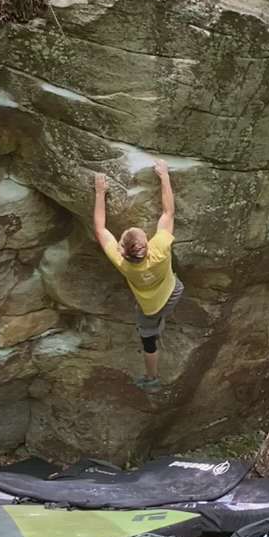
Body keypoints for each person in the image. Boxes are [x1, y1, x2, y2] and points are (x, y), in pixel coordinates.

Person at [93, 161, 184, 391]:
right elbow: (168, 212)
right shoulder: (161, 247)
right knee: (164, 303)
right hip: (174, 292)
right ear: (147, 242)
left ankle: (152, 378)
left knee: (148, 339)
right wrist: (164, 175)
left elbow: (100, 229)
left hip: (149, 308)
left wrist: (99, 192)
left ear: (122, 248)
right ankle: (162, 321)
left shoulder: (121, 262)